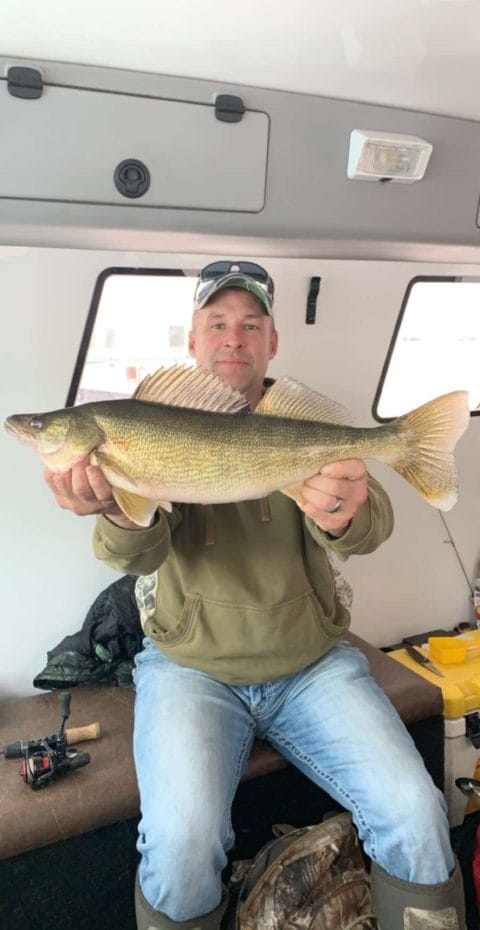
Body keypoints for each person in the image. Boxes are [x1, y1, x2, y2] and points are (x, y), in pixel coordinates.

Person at [44, 261, 465, 930]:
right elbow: (135, 554)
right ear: (193, 342)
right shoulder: (148, 424)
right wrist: (121, 510)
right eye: (217, 323)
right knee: (179, 847)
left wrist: (344, 513)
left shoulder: (294, 422)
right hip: (192, 669)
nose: (233, 338)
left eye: (250, 324)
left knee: (416, 813)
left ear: (272, 342)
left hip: (311, 664)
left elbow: (371, 526)